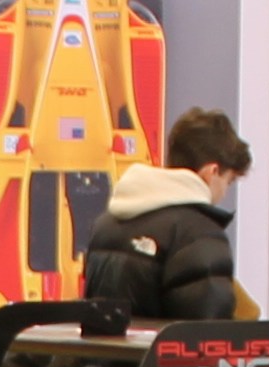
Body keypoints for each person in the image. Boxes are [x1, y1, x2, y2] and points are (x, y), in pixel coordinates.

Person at [80, 107, 252, 321]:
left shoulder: (105, 225)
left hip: (104, 355)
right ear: (212, 172)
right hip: (161, 355)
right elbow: (205, 335)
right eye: (229, 181)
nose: (225, 192)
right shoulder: (199, 234)